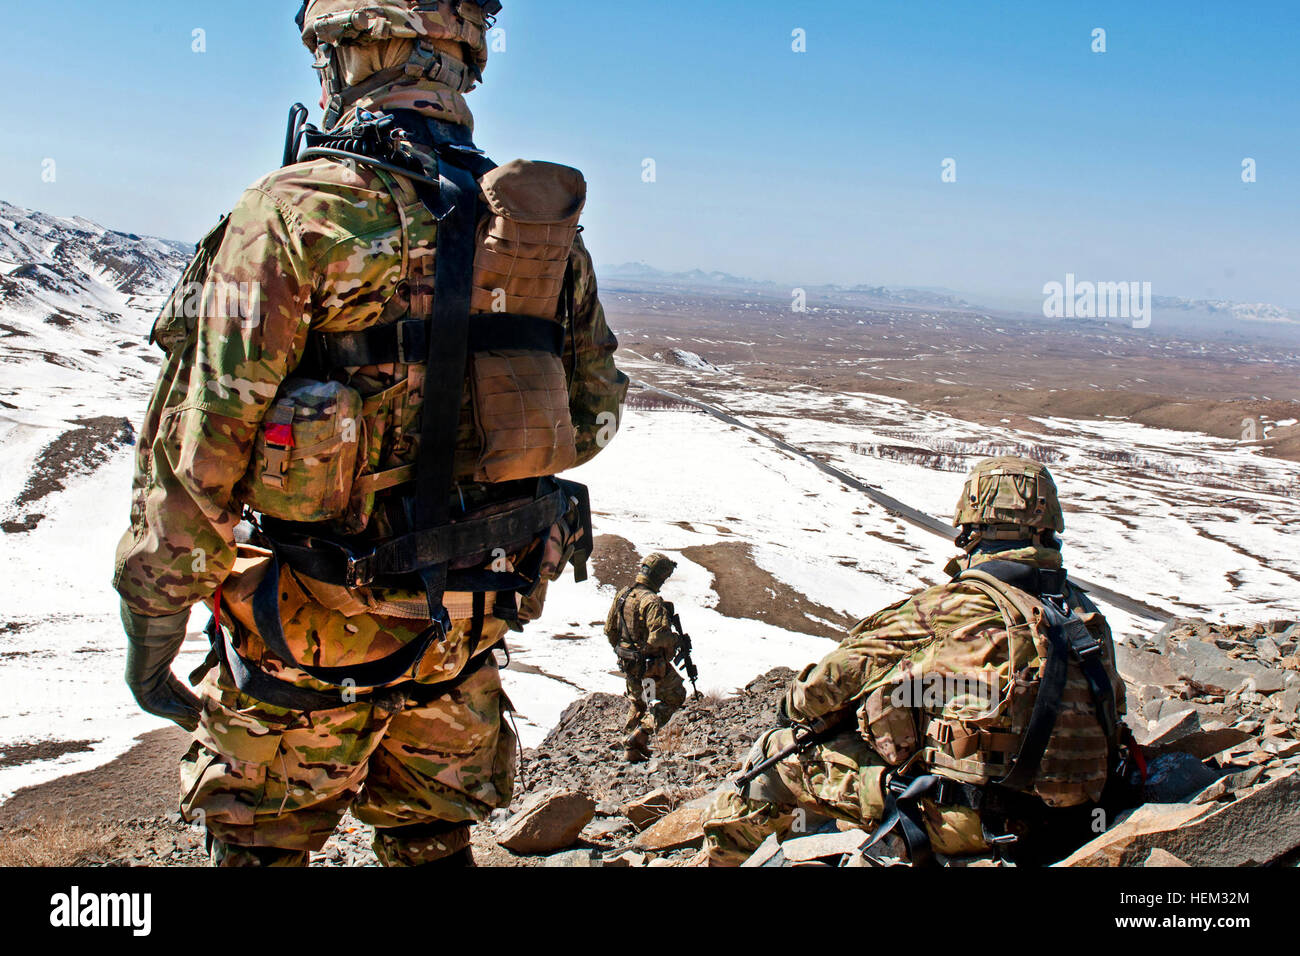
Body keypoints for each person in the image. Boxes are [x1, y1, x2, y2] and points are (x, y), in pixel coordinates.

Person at [115, 0, 628, 867]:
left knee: (262, 846)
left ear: (355, 55)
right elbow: (593, 417)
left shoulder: (294, 211)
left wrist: (152, 629)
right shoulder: (533, 235)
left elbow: (199, 451)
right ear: (461, 65)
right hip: (460, 633)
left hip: (303, 637)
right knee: (432, 843)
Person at [700, 456, 1132, 866]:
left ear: (970, 526)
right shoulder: (1086, 615)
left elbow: (820, 691)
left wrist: (791, 707)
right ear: (1048, 526)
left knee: (775, 758)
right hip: (1078, 822)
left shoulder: (952, 605)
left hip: (975, 824)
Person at [604, 553, 691, 762]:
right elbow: (658, 636)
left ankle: (630, 747)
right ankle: (641, 733)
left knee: (639, 701)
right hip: (651, 666)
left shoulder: (623, 595)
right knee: (676, 695)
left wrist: (625, 651)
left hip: (629, 662)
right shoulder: (652, 601)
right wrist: (674, 642)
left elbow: (610, 630)